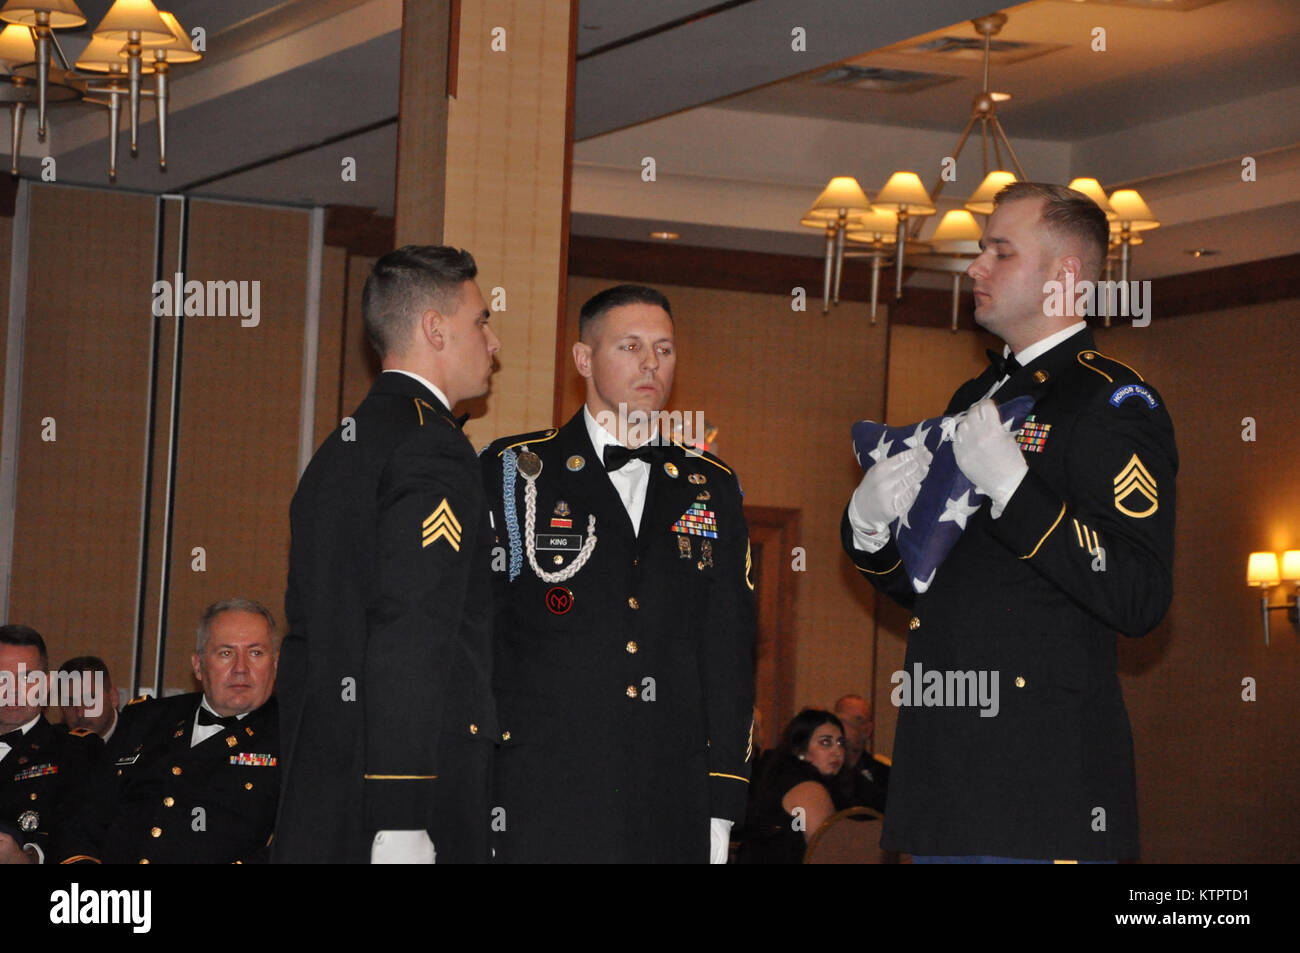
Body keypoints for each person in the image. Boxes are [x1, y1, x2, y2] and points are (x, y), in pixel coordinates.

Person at [842, 182, 1177, 863]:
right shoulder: (976, 396)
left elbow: (1140, 594)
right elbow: (940, 587)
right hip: (948, 775)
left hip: (1040, 788)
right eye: (980, 251)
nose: (975, 267)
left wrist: (1016, 490)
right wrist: (869, 530)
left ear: (1063, 277)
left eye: (1000, 251)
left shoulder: (1113, 401)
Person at [483, 283, 756, 863]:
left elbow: (729, 647)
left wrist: (723, 794)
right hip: (542, 783)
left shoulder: (709, 483)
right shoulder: (518, 470)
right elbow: (480, 632)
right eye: (630, 346)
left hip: (669, 788)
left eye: (664, 348)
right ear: (584, 359)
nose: (651, 363)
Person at [275, 245, 501, 864]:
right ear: (434, 329)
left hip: (328, 780)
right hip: (406, 795)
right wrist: (402, 814)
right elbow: (413, 633)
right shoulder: (433, 447)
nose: (493, 340)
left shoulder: (337, 451)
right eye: (480, 320)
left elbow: (308, 646)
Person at [54, 600, 280, 864]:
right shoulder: (145, 719)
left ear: (275, 664)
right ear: (198, 666)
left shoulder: (293, 740)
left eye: (255, 653)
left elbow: (296, 844)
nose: (241, 668)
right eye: (226, 653)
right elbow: (85, 816)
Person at [0, 625, 102, 864]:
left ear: (46, 684)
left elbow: (83, 836)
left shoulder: (75, 753)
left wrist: (27, 859)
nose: (13, 689)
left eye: (27, 678)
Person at [736, 709, 845, 864]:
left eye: (841, 743)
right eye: (825, 742)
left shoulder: (777, 777)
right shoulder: (808, 788)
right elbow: (828, 855)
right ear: (800, 749)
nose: (837, 751)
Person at [832, 693, 889, 814]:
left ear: (868, 730)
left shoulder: (885, 777)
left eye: (858, 720)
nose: (848, 727)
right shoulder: (820, 772)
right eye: (843, 720)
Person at [57, 656, 120, 741]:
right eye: (70, 703)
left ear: (113, 698)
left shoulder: (138, 737)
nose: (80, 713)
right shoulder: (54, 744)